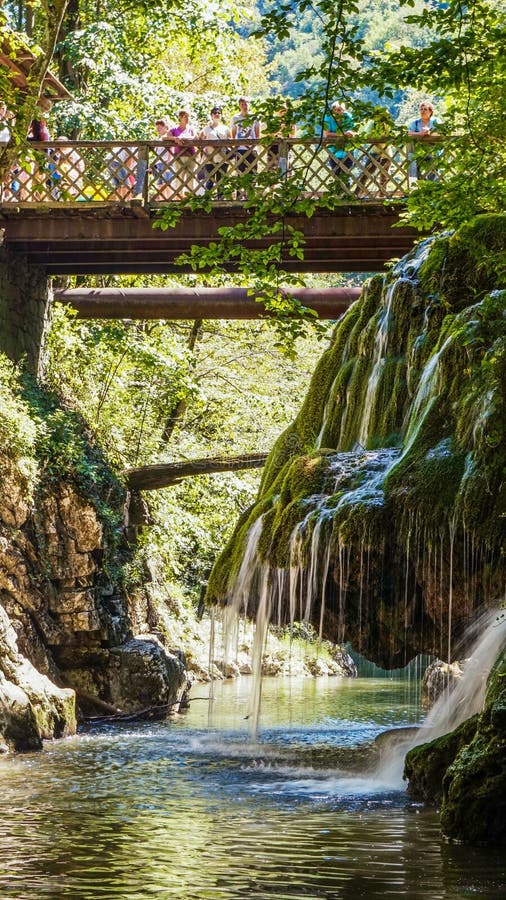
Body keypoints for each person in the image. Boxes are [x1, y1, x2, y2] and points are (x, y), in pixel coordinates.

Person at [356, 107, 394, 198]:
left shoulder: (388, 124)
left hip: (387, 152)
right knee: (366, 174)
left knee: (384, 176)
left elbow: (392, 135)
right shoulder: (372, 123)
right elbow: (367, 135)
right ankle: (357, 193)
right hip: (374, 152)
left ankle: (382, 195)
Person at [321, 100, 356, 192]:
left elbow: (353, 130)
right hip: (334, 151)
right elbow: (327, 133)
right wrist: (343, 134)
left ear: (344, 111)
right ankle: (338, 196)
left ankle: (347, 195)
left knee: (346, 175)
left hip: (347, 150)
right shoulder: (328, 118)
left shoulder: (348, 117)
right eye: (336, 110)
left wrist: (351, 133)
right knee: (336, 174)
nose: (338, 112)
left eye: (340, 110)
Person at [199, 106, 231, 198]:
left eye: (219, 113)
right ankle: (208, 199)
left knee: (221, 181)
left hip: (223, 158)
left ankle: (220, 200)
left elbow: (230, 140)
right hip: (209, 158)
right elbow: (200, 140)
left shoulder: (226, 128)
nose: (217, 114)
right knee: (210, 181)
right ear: (211, 115)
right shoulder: (206, 129)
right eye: (214, 113)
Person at [231, 97, 260, 196]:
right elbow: (233, 134)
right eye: (242, 104)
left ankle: (251, 195)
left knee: (252, 172)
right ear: (239, 106)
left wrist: (253, 145)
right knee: (240, 173)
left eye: (246, 104)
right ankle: (239, 195)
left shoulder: (254, 118)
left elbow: (257, 134)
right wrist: (235, 146)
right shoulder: (235, 118)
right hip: (240, 149)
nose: (244, 106)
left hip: (252, 149)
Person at [168, 110, 198, 198]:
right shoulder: (175, 129)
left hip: (191, 155)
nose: (187, 119)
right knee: (179, 178)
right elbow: (165, 137)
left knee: (191, 177)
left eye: (188, 116)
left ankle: (190, 197)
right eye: (185, 116)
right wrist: (175, 139)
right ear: (180, 117)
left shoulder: (191, 129)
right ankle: (179, 197)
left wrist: (185, 138)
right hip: (179, 156)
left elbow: (195, 137)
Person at [408, 101, 440, 181]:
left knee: (433, 170)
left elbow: (441, 132)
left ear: (430, 111)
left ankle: (432, 188)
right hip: (419, 152)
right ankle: (421, 186)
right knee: (416, 169)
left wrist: (430, 133)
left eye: (425, 109)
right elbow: (408, 133)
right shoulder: (415, 123)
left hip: (434, 151)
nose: (422, 111)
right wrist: (420, 133)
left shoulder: (436, 121)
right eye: (421, 109)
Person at [266, 106, 296, 177]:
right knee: (272, 174)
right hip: (273, 152)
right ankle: (272, 188)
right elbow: (269, 136)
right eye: (281, 112)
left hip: (286, 151)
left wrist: (291, 127)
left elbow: (292, 138)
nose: (283, 115)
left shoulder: (290, 124)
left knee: (287, 173)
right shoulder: (274, 122)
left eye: (285, 112)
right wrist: (278, 130)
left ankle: (286, 187)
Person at [151, 118, 173, 199]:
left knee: (167, 184)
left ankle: (169, 200)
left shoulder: (168, 136)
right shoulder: (160, 138)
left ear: (165, 127)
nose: (158, 130)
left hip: (165, 162)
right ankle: (162, 201)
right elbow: (157, 154)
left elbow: (171, 149)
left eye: (160, 128)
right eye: (157, 128)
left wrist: (169, 162)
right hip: (159, 164)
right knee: (160, 184)